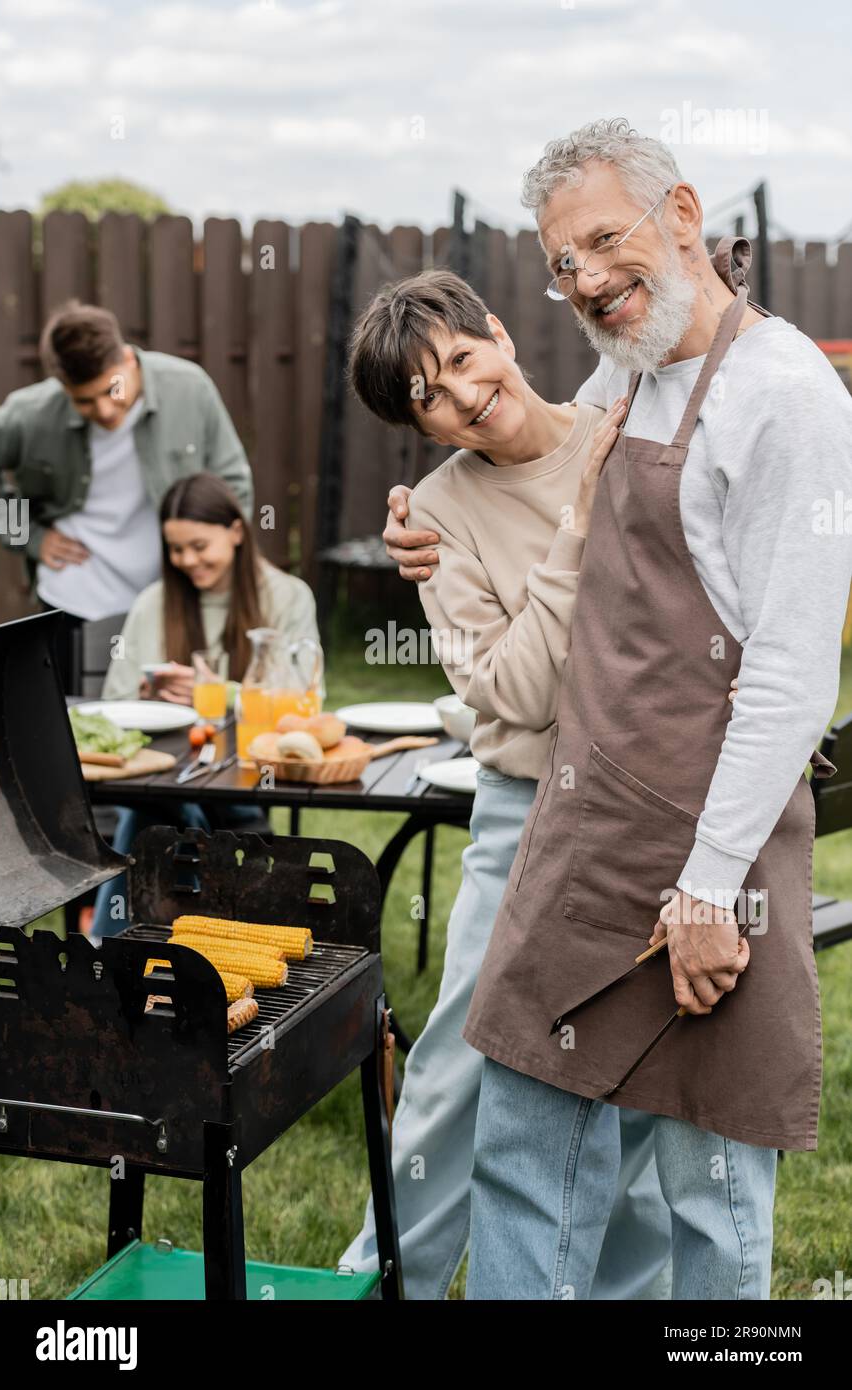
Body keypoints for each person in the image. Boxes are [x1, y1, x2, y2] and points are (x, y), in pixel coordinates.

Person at [388, 119, 852, 1300]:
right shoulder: (625, 368)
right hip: (586, 833)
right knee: (523, 1141)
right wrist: (425, 527)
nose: (585, 279)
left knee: (705, 1185)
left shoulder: (785, 397)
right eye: (561, 264)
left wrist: (707, 889)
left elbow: (793, 678)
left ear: (682, 216)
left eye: (604, 241)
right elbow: (539, 462)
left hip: (712, 853)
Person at [339, 267, 692, 1301]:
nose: (460, 396)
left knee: (621, 1077)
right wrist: (576, 532)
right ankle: (380, 1278)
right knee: (455, 1065)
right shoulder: (435, 521)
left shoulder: (622, 425)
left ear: (496, 331)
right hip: (526, 811)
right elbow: (518, 690)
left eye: (461, 359)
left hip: (645, 806)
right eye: (429, 399)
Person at [91, 473, 319, 943]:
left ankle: (111, 948)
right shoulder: (153, 604)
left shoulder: (287, 597)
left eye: (199, 545)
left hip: (247, 779)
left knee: (153, 821)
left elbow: (303, 707)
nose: (188, 561)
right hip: (165, 771)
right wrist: (146, 699)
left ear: (237, 531)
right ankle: (193, 945)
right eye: (177, 550)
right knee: (160, 812)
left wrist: (219, 691)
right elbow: (113, 704)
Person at [0, 299, 253, 683]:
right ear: (61, 389)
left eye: (111, 390)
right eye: (84, 401)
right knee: (81, 730)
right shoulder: (31, 413)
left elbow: (235, 483)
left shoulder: (190, 388)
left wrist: (217, 565)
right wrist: (30, 535)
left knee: (181, 720)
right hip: (76, 600)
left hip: (173, 596)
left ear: (128, 358)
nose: (105, 411)